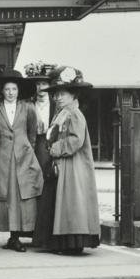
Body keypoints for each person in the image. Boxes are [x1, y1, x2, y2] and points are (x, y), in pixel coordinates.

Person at [0, 69, 42, 253]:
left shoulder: (29, 108)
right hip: (2, 158)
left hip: (23, 159)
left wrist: (26, 150)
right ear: (2, 90)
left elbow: (33, 134)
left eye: (13, 89)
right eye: (7, 89)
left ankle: (15, 238)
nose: (10, 93)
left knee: (19, 198)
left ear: (18, 90)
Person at [44, 66, 101, 255]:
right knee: (66, 203)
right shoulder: (63, 113)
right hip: (65, 164)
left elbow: (76, 140)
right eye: (56, 95)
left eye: (62, 94)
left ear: (72, 94)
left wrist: (55, 148)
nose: (57, 98)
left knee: (73, 202)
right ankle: (65, 242)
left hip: (74, 165)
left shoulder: (74, 114)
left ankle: (74, 243)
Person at [27, 64, 57, 248]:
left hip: (51, 149)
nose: (41, 89)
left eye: (44, 85)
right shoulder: (29, 105)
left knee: (50, 190)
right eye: (37, 85)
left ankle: (49, 233)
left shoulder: (56, 105)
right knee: (34, 189)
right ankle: (33, 232)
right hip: (34, 148)